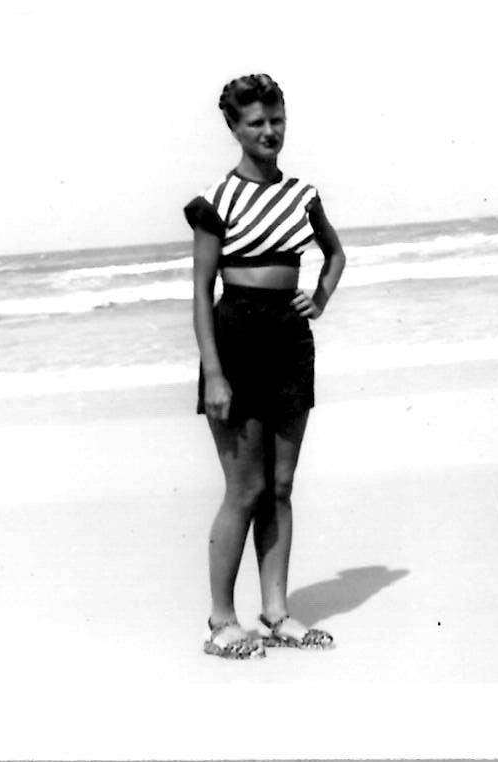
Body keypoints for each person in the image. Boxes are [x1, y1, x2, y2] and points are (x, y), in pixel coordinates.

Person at [183, 74, 347, 660]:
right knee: (245, 487)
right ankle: (221, 622)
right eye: (255, 123)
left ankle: (276, 613)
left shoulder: (302, 194)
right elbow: (201, 291)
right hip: (236, 339)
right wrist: (215, 373)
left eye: (276, 120)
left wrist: (319, 299)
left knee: (280, 485)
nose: (269, 131)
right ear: (234, 128)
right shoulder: (216, 200)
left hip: (289, 339)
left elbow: (335, 254)